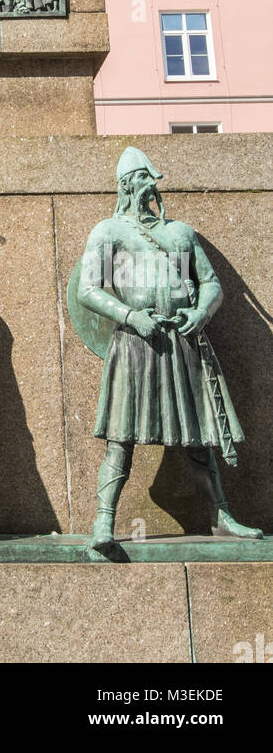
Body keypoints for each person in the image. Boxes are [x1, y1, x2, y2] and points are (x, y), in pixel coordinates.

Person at [77, 146, 262, 559]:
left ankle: (221, 515)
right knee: (120, 439)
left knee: (199, 435)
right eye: (145, 179)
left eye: (153, 180)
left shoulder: (180, 233)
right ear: (127, 184)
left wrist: (199, 313)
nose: (152, 186)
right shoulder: (109, 232)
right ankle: (103, 521)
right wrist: (130, 316)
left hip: (182, 341)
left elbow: (212, 283)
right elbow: (88, 290)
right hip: (136, 343)